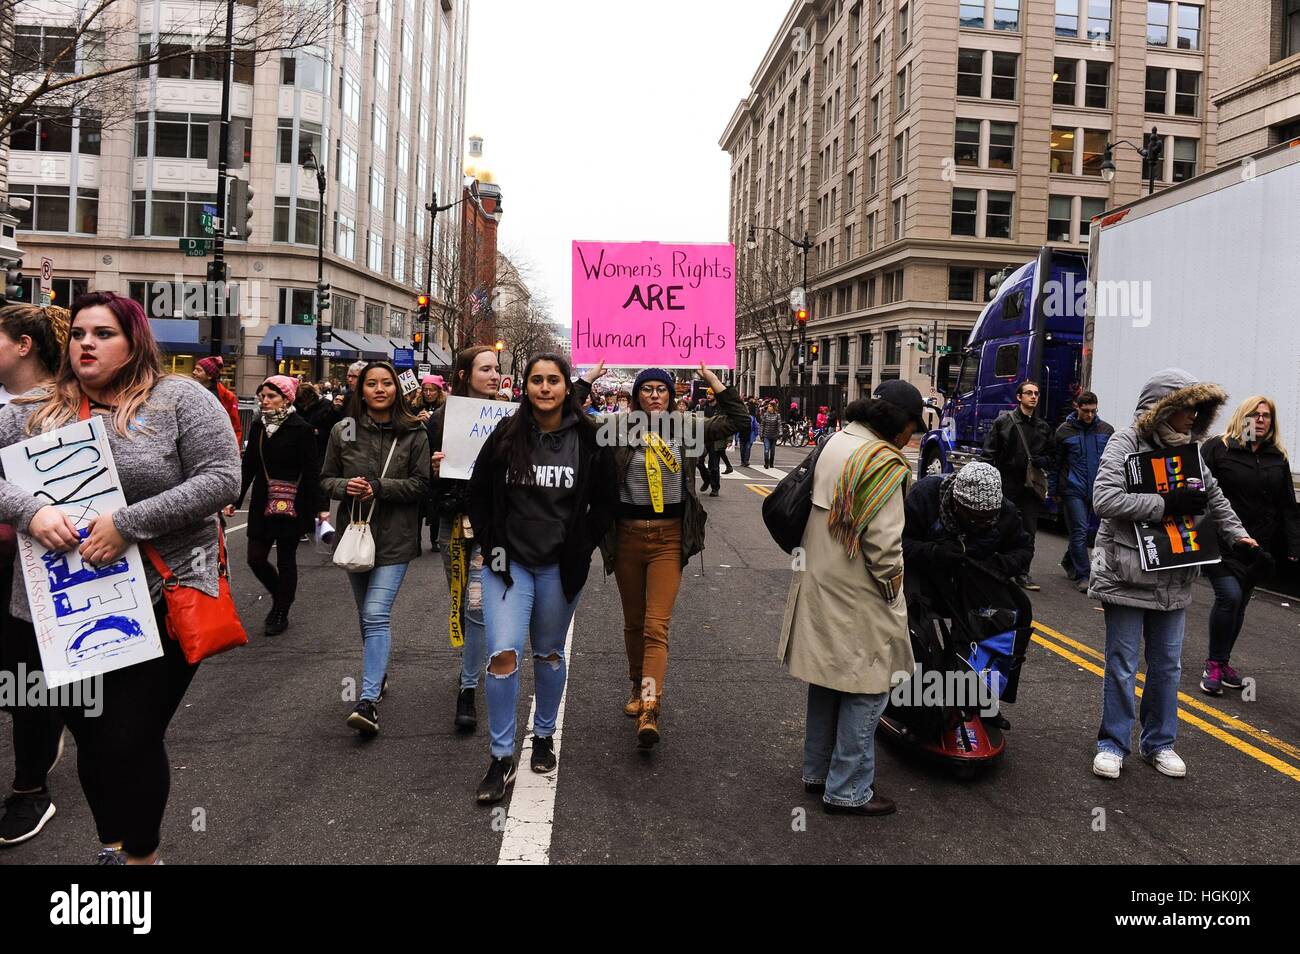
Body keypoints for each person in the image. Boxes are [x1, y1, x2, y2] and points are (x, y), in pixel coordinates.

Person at [0, 291, 240, 864]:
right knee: (94, 738)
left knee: (130, 735)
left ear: (135, 341)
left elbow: (223, 478)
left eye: (104, 333)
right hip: (62, 608)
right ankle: (113, 842)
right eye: (80, 332)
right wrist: (31, 512)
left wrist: (129, 524)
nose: (87, 342)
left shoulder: (180, 399)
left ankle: (142, 855)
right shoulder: (27, 409)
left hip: (165, 594)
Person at [1089, 369, 1253, 780]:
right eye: (1188, 410)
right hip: (1127, 572)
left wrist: (1239, 536)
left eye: (1199, 411)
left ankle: (1159, 743)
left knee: (1167, 666)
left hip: (1175, 573)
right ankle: (1113, 743)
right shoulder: (1124, 442)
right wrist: (1164, 503)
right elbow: (1104, 498)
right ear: (1166, 409)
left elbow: (1215, 499)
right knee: (1123, 664)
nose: (1194, 418)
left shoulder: (1192, 451)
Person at [467, 352, 616, 803]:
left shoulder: (591, 438)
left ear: (567, 386)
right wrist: (493, 546)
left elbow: (606, 504)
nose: (545, 388)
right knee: (503, 654)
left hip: (558, 567)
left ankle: (545, 735)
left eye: (554, 380)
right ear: (526, 386)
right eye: (537, 380)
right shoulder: (505, 436)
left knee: (549, 653)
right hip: (507, 567)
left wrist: (582, 545)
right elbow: (477, 495)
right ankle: (500, 756)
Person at [576, 361, 746, 746]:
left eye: (662, 389)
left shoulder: (688, 430)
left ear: (672, 396)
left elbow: (737, 419)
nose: (655, 395)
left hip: (669, 539)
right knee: (634, 622)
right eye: (647, 389)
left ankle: (651, 705)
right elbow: (574, 415)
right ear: (637, 395)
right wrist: (588, 378)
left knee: (657, 626)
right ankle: (637, 687)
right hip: (627, 537)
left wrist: (712, 380)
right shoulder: (616, 429)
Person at [778, 381, 926, 817]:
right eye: (912, 427)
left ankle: (816, 771)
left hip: (820, 576)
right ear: (898, 423)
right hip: (858, 589)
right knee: (869, 686)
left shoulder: (836, 440)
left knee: (827, 680)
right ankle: (848, 788)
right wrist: (895, 590)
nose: (912, 437)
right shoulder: (882, 462)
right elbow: (883, 545)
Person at [321, 361, 430, 736]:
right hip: (356, 533)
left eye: (386, 383)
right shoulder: (342, 430)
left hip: (396, 538)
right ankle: (377, 673)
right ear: (361, 389)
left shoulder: (415, 432)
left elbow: (420, 485)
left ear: (397, 389)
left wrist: (380, 487)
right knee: (365, 614)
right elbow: (325, 479)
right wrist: (344, 487)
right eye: (372, 383)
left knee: (376, 613)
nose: (380, 389)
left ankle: (367, 701)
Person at [0, 304, 69, 848]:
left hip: (30, 563)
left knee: (29, 679)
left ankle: (29, 789)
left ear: (24, 345)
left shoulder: (65, 407)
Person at [1199, 396, 1300, 695]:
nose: (1260, 420)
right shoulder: (1219, 448)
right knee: (1229, 597)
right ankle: (1213, 666)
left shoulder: (1276, 457)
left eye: (1266, 416)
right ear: (1243, 417)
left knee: (1240, 602)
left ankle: (1224, 662)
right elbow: (1197, 486)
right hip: (1221, 540)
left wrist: (1293, 544)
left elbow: (1287, 506)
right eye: (1255, 415)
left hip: (1256, 546)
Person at [428, 346, 502, 729]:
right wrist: (435, 468)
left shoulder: (508, 418)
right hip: (454, 523)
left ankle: (468, 688)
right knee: (460, 599)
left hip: (491, 526)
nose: (493, 375)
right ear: (464, 374)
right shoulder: (441, 419)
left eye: (496, 369)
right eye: (485, 369)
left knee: (476, 606)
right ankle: (472, 663)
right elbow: (423, 477)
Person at [225, 376, 320, 636]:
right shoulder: (257, 426)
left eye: (270, 396)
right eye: (262, 396)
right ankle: (282, 594)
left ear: (286, 399)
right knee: (255, 558)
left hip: (293, 502)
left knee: (286, 558)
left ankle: (280, 611)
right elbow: (249, 467)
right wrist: (234, 499)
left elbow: (312, 471)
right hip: (262, 501)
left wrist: (319, 509)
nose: (264, 401)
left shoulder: (301, 428)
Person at [901, 461, 1033, 588]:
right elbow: (899, 544)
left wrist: (994, 566)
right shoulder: (924, 495)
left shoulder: (1005, 509)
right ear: (956, 504)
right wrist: (934, 552)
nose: (983, 524)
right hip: (928, 578)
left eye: (990, 518)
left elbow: (1023, 549)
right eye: (975, 518)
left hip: (977, 583)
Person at [982, 380, 1054, 591]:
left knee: (1028, 531)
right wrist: (992, 483)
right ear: (1019, 397)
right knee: (1001, 526)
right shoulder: (1003, 423)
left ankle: (1023, 572)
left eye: (1036, 393)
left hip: (1030, 488)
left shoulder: (1043, 427)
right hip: (1007, 484)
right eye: (1029, 393)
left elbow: (1053, 454)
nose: (1033, 397)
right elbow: (989, 455)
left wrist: (1045, 461)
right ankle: (998, 567)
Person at [1053, 391, 1114, 592]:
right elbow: (1057, 464)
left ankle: (1096, 572)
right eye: (1085, 411)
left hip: (1099, 490)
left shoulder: (1106, 430)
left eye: (1093, 411)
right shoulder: (1064, 431)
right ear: (1076, 407)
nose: (1089, 415)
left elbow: (1113, 462)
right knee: (1079, 532)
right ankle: (1085, 575)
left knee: (1099, 534)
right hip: (1073, 490)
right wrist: (1053, 489)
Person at [192, 354, 242, 450]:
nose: (194, 372)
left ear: (209, 376)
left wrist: (235, 450)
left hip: (216, 446)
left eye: (199, 370)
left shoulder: (227, 397)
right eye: (195, 369)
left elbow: (235, 426)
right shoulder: (190, 391)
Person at [760, 399, 783, 469]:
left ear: (773, 407)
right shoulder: (765, 415)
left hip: (774, 436)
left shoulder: (777, 415)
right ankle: (766, 463)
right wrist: (761, 434)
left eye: (770, 406)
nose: (768, 407)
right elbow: (762, 425)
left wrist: (780, 432)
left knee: (772, 451)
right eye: (768, 406)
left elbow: (779, 425)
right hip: (766, 435)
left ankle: (771, 463)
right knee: (766, 450)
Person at [738, 398, 759, 467]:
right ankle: (742, 460)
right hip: (742, 435)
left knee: (748, 448)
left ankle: (746, 461)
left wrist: (755, 435)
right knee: (742, 449)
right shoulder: (741, 417)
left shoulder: (752, 418)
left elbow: (756, 426)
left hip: (750, 435)